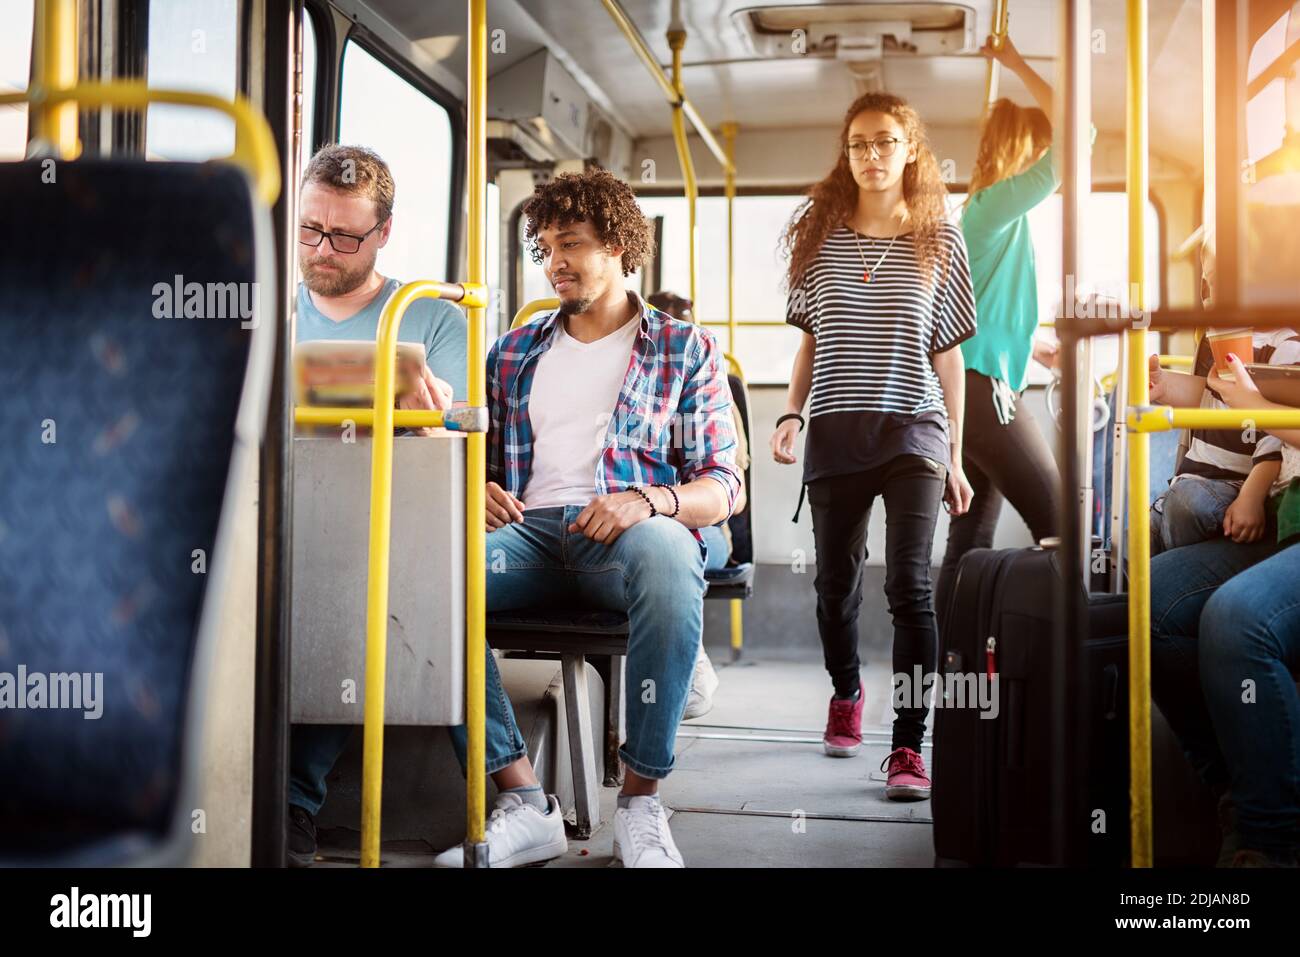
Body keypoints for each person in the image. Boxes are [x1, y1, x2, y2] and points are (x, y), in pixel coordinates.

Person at [430, 168, 741, 867]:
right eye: (543, 247)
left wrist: (650, 501)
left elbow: (724, 485)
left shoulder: (683, 349)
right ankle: (523, 799)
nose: (554, 262)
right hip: (530, 537)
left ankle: (639, 803)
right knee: (429, 579)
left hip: (628, 539)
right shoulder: (511, 352)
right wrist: (476, 484)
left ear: (620, 245)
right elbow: (477, 460)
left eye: (570, 243)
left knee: (667, 551)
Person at [770, 92, 976, 801]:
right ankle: (847, 690)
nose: (872, 154)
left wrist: (954, 451)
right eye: (859, 142)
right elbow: (810, 342)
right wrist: (791, 413)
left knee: (911, 584)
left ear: (910, 148)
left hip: (913, 427)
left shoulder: (941, 240)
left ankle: (908, 747)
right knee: (835, 589)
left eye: (886, 141)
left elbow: (948, 358)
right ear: (846, 151)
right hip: (834, 425)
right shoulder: (820, 236)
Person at [287, 144, 466, 867]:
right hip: (275, 511)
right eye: (309, 229)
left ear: (384, 231)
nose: (322, 249)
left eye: (345, 236)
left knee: (351, 579)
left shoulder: (428, 318)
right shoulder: (261, 303)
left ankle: (290, 807)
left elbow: (447, 442)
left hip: (386, 520)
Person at [1149, 354, 1300, 867]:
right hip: (1289, 519)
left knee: (1236, 619)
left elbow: (1270, 425)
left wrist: (1257, 407)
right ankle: (1236, 782)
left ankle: (1272, 840)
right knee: (1150, 605)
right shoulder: (1283, 338)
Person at [934, 34, 1063, 624]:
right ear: (1024, 151)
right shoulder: (992, 209)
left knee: (967, 547)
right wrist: (1015, 62)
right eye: (1038, 153)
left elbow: (977, 315)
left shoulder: (986, 218)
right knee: (1061, 524)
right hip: (985, 395)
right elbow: (1076, 139)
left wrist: (1034, 349)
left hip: (982, 385)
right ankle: (1065, 667)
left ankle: (952, 685)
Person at [1146, 237, 1299, 552]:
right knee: (1138, 535)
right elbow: (1209, 396)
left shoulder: (1283, 346)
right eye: (1211, 283)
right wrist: (1163, 385)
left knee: (1186, 503)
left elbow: (1277, 441)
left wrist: (1251, 496)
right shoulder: (1214, 337)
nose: (1216, 295)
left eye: (1236, 284)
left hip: (1235, 482)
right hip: (1194, 475)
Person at [645, 289, 753, 719]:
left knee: (666, 540)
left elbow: (733, 493)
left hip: (706, 524)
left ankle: (689, 661)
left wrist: (669, 500)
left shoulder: (713, 390)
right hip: (638, 515)